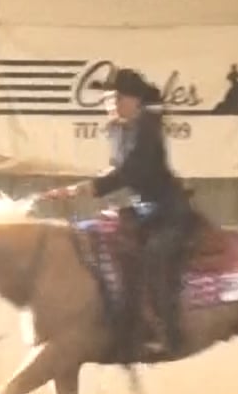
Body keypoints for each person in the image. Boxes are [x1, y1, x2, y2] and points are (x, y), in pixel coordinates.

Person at [40, 67, 194, 357]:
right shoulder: (117, 129)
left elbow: (131, 171)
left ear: (135, 100)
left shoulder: (147, 127)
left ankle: (166, 330)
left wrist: (81, 189)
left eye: (117, 98)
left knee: (155, 255)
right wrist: (75, 188)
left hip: (168, 210)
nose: (110, 103)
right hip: (142, 209)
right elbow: (115, 168)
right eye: (107, 98)